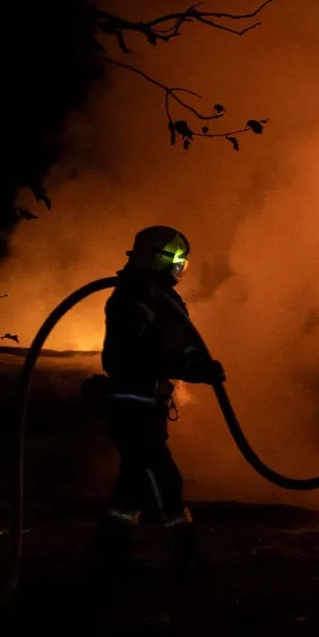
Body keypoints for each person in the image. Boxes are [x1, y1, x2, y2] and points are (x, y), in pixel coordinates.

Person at [93, 225, 225, 573]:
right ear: (158, 258)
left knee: (132, 485)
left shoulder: (165, 299)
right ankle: (185, 556)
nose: (180, 268)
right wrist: (184, 367)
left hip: (148, 408)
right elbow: (129, 356)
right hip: (131, 407)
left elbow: (182, 347)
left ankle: (108, 556)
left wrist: (201, 367)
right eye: (177, 260)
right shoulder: (133, 298)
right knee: (163, 481)